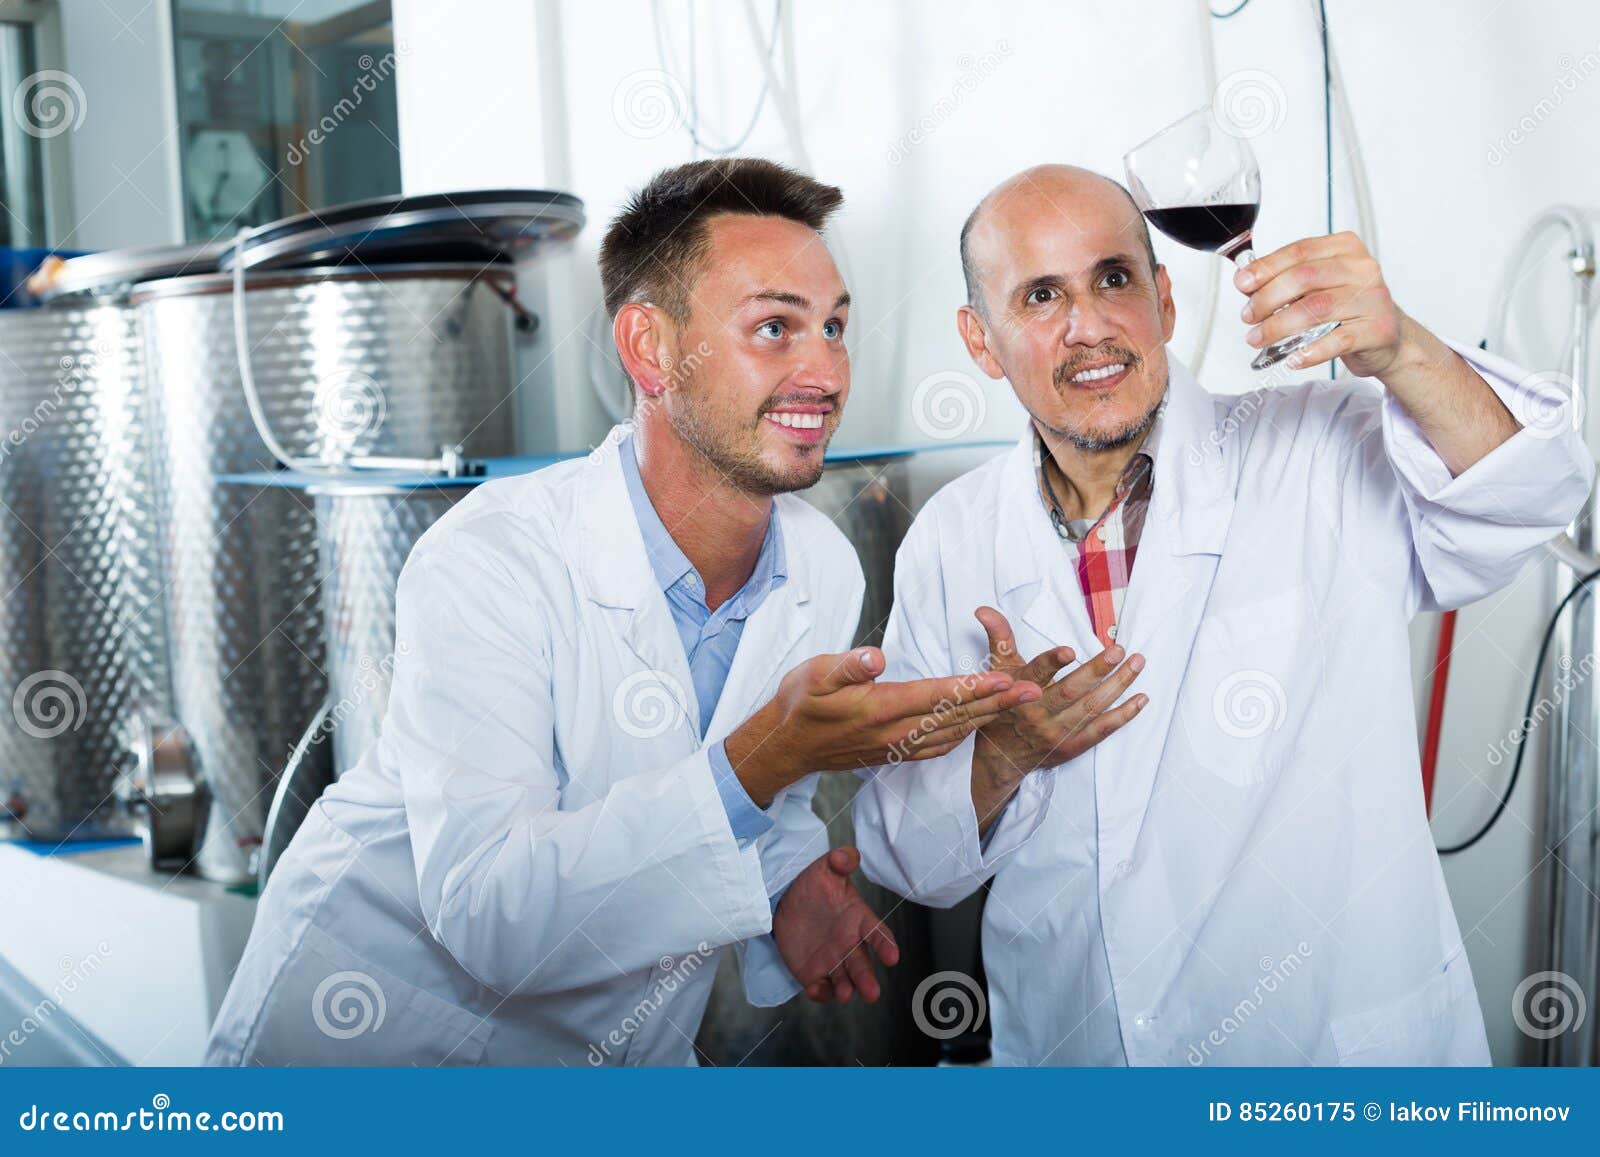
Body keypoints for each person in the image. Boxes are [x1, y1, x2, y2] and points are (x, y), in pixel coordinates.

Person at [205, 158, 1036, 1067]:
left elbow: (752, 804)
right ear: (650, 350)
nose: (825, 369)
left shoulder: (821, 567)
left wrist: (787, 881)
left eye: (834, 326)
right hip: (376, 1042)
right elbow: (490, 911)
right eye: (774, 327)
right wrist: (768, 756)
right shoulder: (493, 559)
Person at [851, 164, 1593, 1066]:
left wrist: (1401, 349)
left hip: (1329, 1059)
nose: (1090, 326)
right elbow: (907, 857)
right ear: (981, 338)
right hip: (1076, 1051)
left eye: (1114, 278)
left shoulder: (1321, 442)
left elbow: (1533, 494)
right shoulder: (951, 539)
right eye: (1041, 295)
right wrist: (1006, 754)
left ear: (1163, 299)